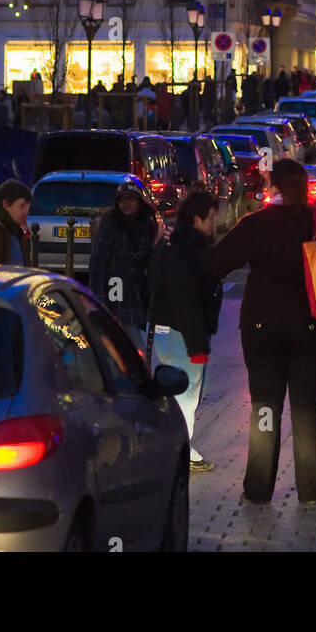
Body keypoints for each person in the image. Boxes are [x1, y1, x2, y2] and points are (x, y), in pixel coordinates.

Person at [201, 158, 316, 505]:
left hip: (261, 326)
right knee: (305, 408)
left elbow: (215, 265)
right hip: (311, 327)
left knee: (265, 407)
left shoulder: (256, 223)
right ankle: (313, 488)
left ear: (273, 186)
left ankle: (257, 489)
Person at [149, 189, 223, 472]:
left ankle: (176, 446)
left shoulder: (169, 244)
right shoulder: (186, 250)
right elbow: (187, 300)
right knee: (186, 394)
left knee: (176, 390)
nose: (214, 224)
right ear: (197, 219)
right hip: (183, 333)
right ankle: (180, 449)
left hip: (165, 329)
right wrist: (198, 346)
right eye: (211, 218)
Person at [88, 178, 160, 348]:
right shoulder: (110, 224)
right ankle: (139, 370)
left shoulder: (147, 225)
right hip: (115, 285)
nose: (126, 203)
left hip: (136, 289)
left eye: (131, 199)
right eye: (122, 199)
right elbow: (98, 261)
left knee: (126, 333)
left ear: (139, 202)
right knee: (124, 332)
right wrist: (100, 298)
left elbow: (148, 261)